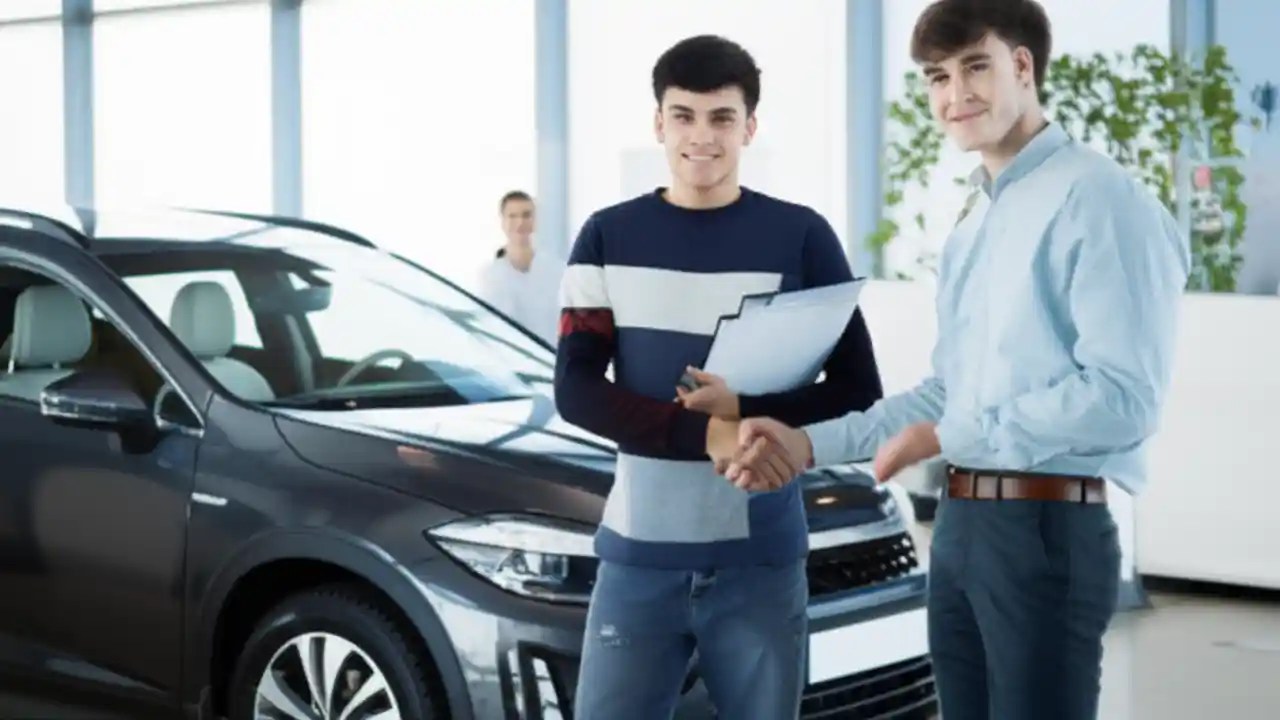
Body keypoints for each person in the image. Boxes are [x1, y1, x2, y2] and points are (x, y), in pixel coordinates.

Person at [728, 1, 1191, 719]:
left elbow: (1122, 396)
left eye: (975, 66)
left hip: (1046, 531)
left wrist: (947, 439)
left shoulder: (1097, 197)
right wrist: (804, 443)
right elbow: (944, 394)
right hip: (962, 525)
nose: (953, 95)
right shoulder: (976, 218)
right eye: (936, 76)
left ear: (1023, 66)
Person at [554, 34, 884, 720]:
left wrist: (747, 407)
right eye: (683, 116)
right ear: (659, 123)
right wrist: (706, 435)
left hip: (759, 563)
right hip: (636, 558)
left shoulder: (800, 236)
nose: (701, 137)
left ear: (749, 127)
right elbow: (576, 389)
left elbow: (857, 390)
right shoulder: (606, 237)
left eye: (721, 118)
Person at [475, 190, 562, 346]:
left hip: (552, 359)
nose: (520, 222)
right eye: (512, 216)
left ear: (535, 220)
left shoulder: (557, 271)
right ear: (503, 222)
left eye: (526, 215)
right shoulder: (490, 276)